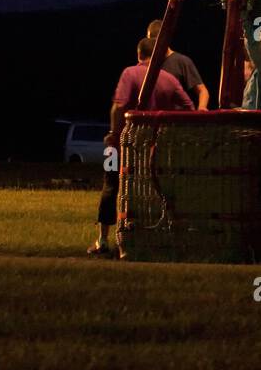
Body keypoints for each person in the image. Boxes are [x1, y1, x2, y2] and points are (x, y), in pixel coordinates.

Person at [87, 36, 193, 257]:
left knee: (110, 186)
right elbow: (188, 107)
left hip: (124, 143)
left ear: (138, 54)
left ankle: (103, 240)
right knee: (151, 191)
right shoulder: (170, 79)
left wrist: (113, 134)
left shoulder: (129, 73)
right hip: (157, 146)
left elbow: (118, 107)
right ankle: (153, 238)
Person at [146, 18, 210, 110]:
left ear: (165, 39)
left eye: (156, 42)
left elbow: (202, 91)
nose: (154, 46)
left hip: (176, 120)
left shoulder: (182, 61)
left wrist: (202, 107)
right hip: (155, 120)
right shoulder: (149, 65)